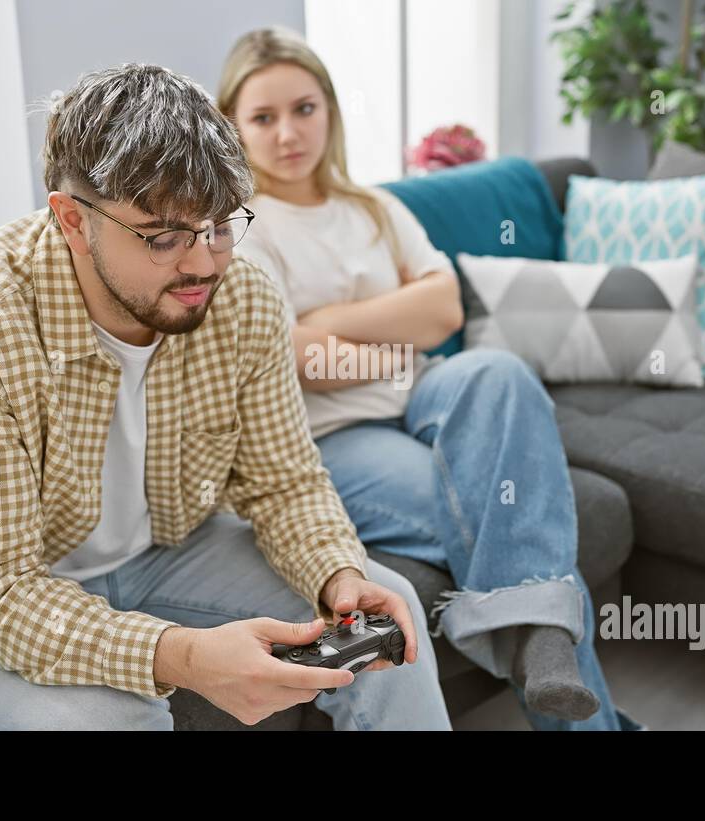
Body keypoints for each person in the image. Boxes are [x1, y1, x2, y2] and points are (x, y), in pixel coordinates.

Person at [0, 62, 450, 730]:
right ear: (71, 219)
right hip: (4, 594)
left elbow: (283, 482)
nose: (204, 262)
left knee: (385, 607)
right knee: (97, 718)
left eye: (221, 226)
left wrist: (335, 572)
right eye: (165, 236)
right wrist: (181, 655)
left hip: (172, 551)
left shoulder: (245, 295)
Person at [218, 26, 628, 730]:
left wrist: (329, 317)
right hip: (333, 435)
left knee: (498, 369)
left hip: (420, 392)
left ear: (330, 111)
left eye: (304, 109)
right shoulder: (243, 225)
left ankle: (540, 636)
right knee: (515, 518)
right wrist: (384, 337)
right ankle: (559, 665)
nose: (288, 132)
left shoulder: (374, 206)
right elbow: (296, 361)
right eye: (263, 117)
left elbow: (443, 308)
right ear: (234, 126)